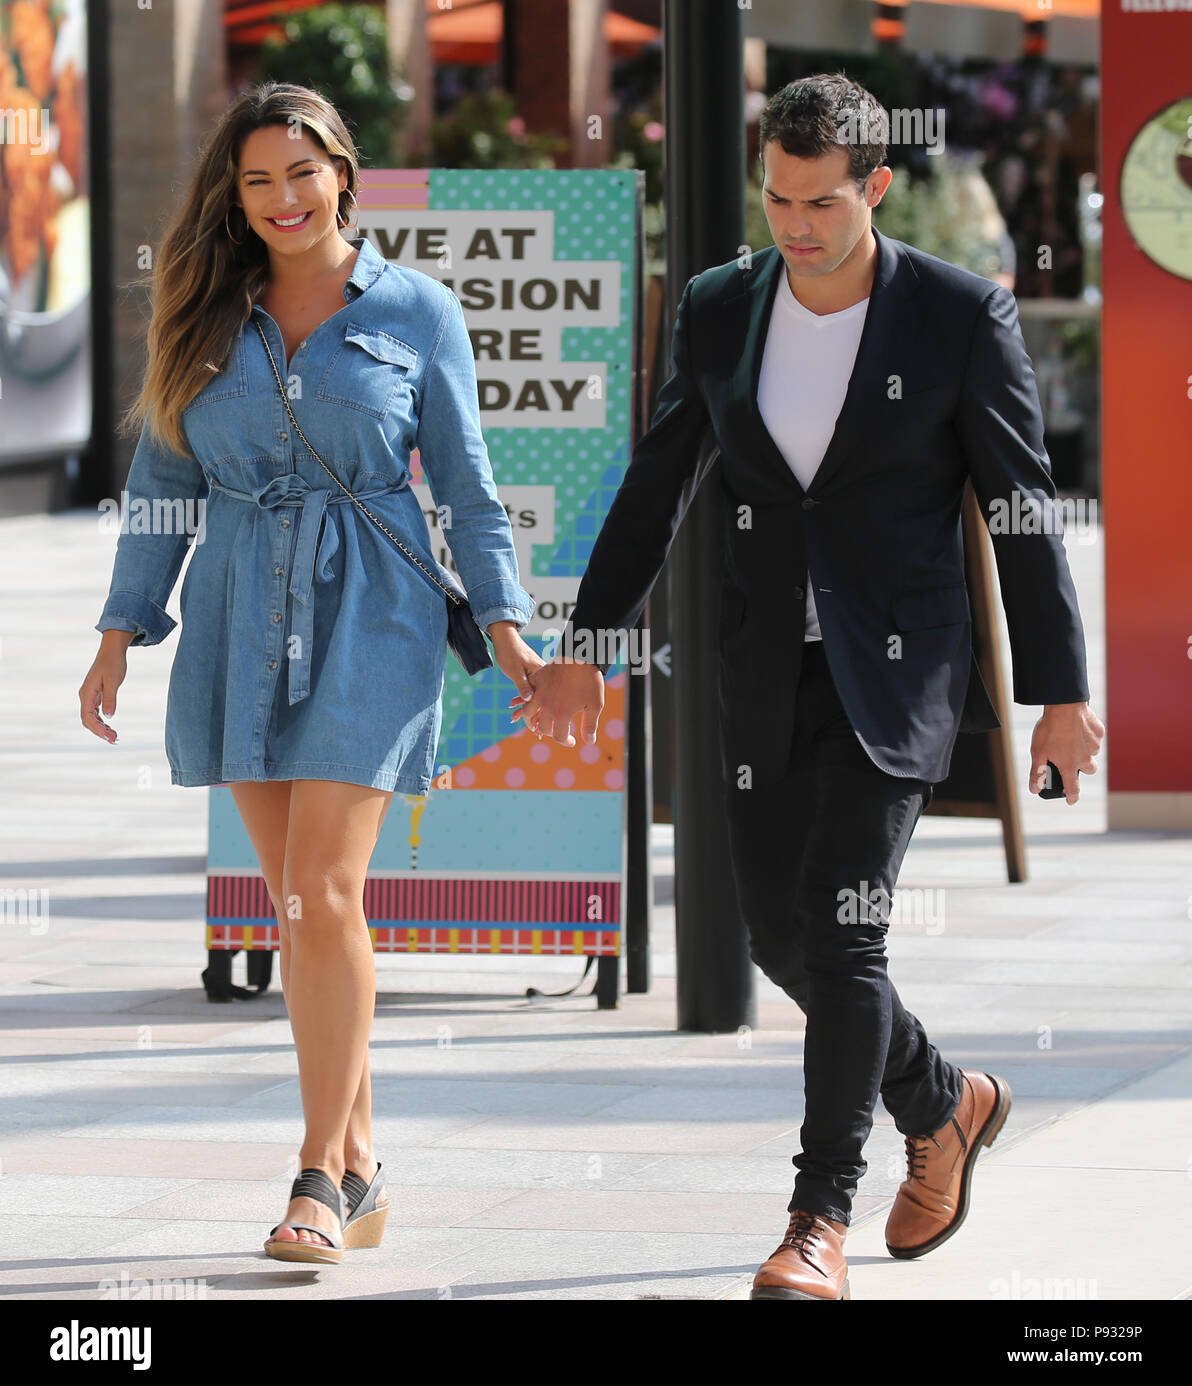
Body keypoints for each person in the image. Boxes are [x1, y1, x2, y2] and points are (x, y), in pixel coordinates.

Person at [512, 73, 1105, 1300]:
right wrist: (585, 648)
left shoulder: (957, 315)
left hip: (896, 672)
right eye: (776, 199)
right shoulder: (722, 307)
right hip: (758, 665)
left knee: (844, 932)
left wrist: (1060, 687)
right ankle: (945, 1101)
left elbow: (1021, 508)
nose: (794, 225)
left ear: (877, 187)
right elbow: (657, 479)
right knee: (781, 933)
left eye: (820, 203)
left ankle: (815, 1216)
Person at [79, 82, 540, 1263]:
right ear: (232, 197)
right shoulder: (200, 315)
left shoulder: (417, 311)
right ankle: (368, 1162)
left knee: (325, 891)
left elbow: (471, 493)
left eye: (302, 172)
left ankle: (317, 1178)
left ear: (345, 171)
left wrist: (506, 625)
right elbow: (164, 489)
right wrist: (120, 633)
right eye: (256, 180)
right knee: (298, 909)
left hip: (375, 616)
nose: (283, 199)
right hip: (239, 611)